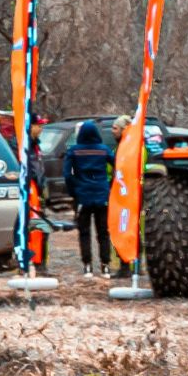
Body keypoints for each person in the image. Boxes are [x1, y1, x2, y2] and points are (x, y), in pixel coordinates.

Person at [64, 120, 115, 280]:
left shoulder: (74, 151)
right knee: (103, 233)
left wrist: (74, 191)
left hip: (83, 196)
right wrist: (109, 185)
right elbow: (118, 166)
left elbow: (67, 174)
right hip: (102, 195)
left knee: (84, 233)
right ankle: (105, 266)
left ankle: (87, 266)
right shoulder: (104, 150)